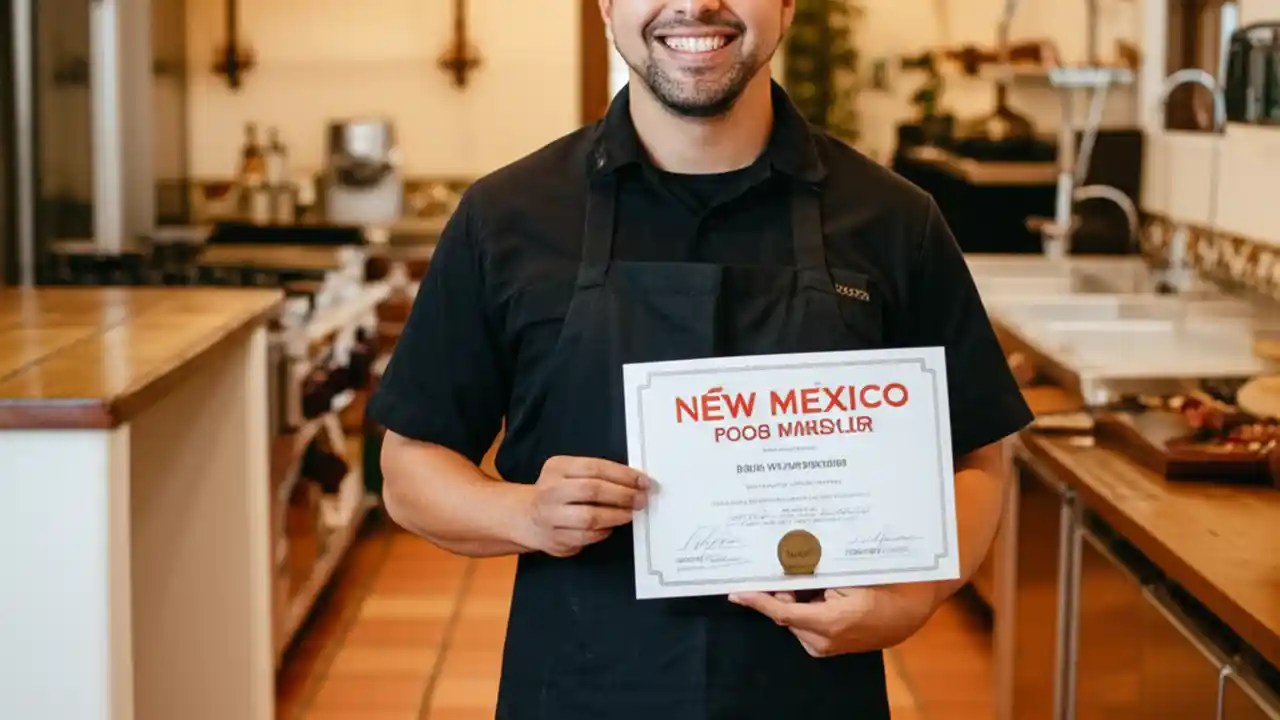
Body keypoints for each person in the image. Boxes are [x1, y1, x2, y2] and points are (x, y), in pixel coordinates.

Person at [368, 0, 1034, 717]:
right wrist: (524, 513)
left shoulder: (894, 222)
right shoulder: (506, 218)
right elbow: (410, 468)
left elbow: (975, 458)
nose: (694, 3)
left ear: (785, 5)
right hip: (580, 686)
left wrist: (914, 598)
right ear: (608, 6)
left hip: (810, 696)